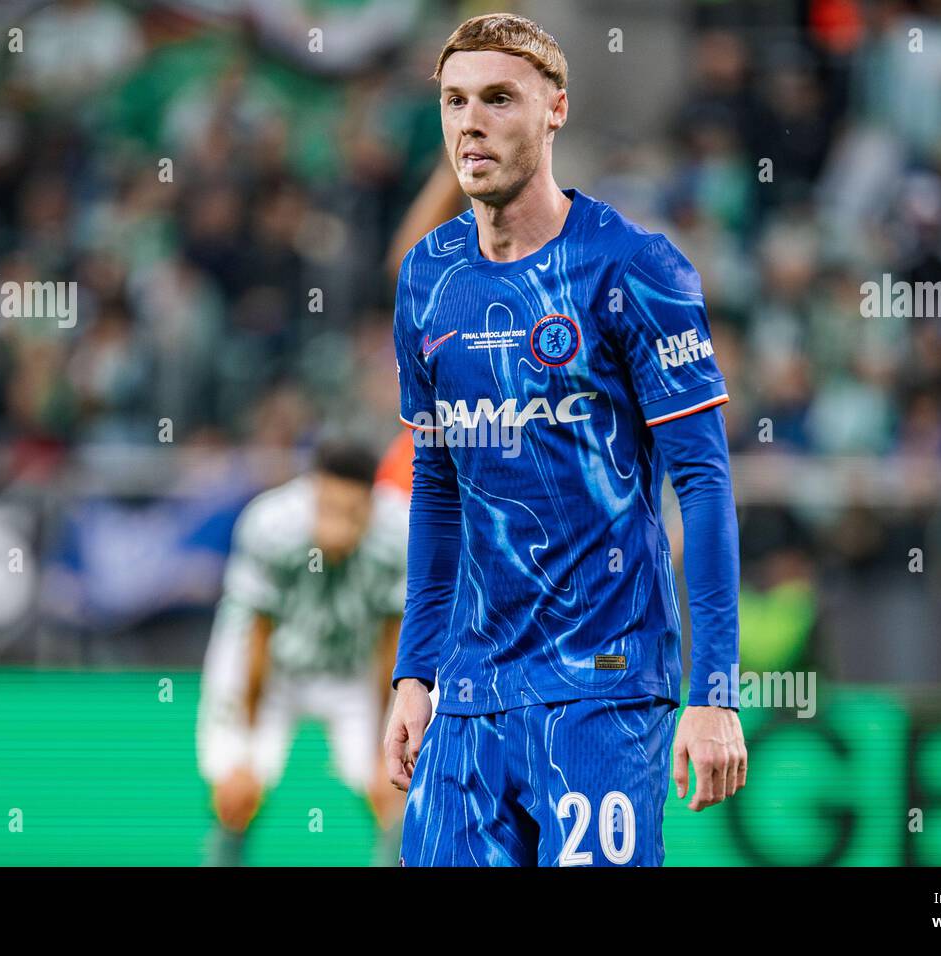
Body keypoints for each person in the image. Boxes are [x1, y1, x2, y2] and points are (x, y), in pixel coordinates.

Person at [384, 13, 745, 867]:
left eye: (499, 99)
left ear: (556, 110)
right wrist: (414, 674)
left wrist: (717, 692)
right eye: (455, 101)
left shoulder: (634, 268)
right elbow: (436, 486)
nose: (471, 121)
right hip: (470, 691)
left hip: (605, 686)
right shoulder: (428, 279)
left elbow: (704, 481)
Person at [197, 438, 407, 865]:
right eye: (328, 509)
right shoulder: (269, 524)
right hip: (276, 669)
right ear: (312, 492)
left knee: (394, 790)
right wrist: (245, 749)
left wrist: (379, 747)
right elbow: (253, 637)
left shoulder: (401, 532)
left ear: (371, 504)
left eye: (351, 513)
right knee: (237, 794)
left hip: (355, 668)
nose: (337, 527)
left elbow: (394, 642)